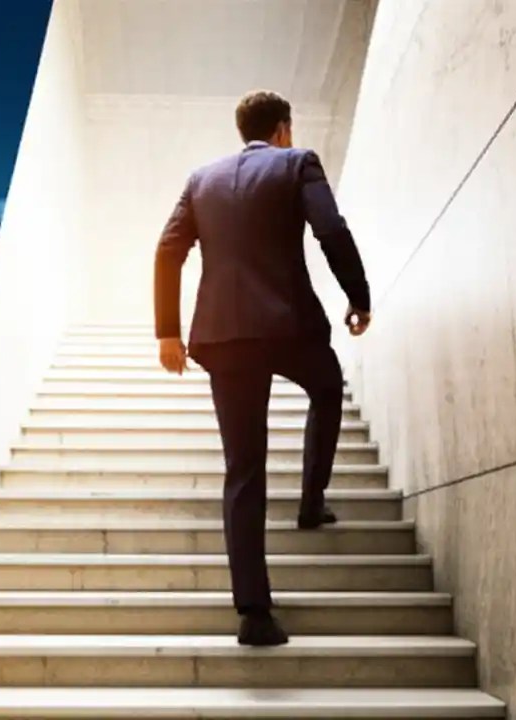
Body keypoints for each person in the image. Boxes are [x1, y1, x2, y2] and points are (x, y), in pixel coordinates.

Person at [153, 90, 372, 647]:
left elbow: (167, 251)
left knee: (243, 469)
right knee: (327, 388)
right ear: (282, 129)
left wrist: (168, 332)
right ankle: (310, 502)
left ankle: (254, 615)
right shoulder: (296, 163)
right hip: (289, 327)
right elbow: (330, 230)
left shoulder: (202, 179)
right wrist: (359, 295)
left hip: (223, 336)